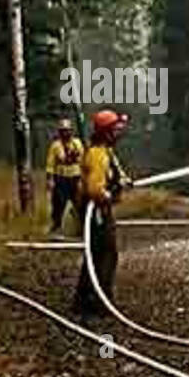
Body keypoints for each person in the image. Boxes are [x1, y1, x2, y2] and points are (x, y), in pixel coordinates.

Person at [72, 110, 131, 319]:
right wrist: (109, 194)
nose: (120, 131)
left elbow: (116, 172)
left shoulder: (106, 152)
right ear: (107, 132)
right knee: (106, 255)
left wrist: (123, 181)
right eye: (116, 128)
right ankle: (100, 301)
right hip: (96, 213)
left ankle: (84, 300)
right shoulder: (97, 155)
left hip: (99, 211)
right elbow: (95, 189)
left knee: (96, 255)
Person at [44, 117, 83, 235]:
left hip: (76, 177)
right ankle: (56, 227)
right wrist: (50, 179)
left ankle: (82, 228)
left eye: (67, 130)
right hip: (61, 178)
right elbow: (50, 163)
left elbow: (83, 160)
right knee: (58, 204)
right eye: (63, 131)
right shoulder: (55, 146)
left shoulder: (77, 143)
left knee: (80, 204)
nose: (66, 133)